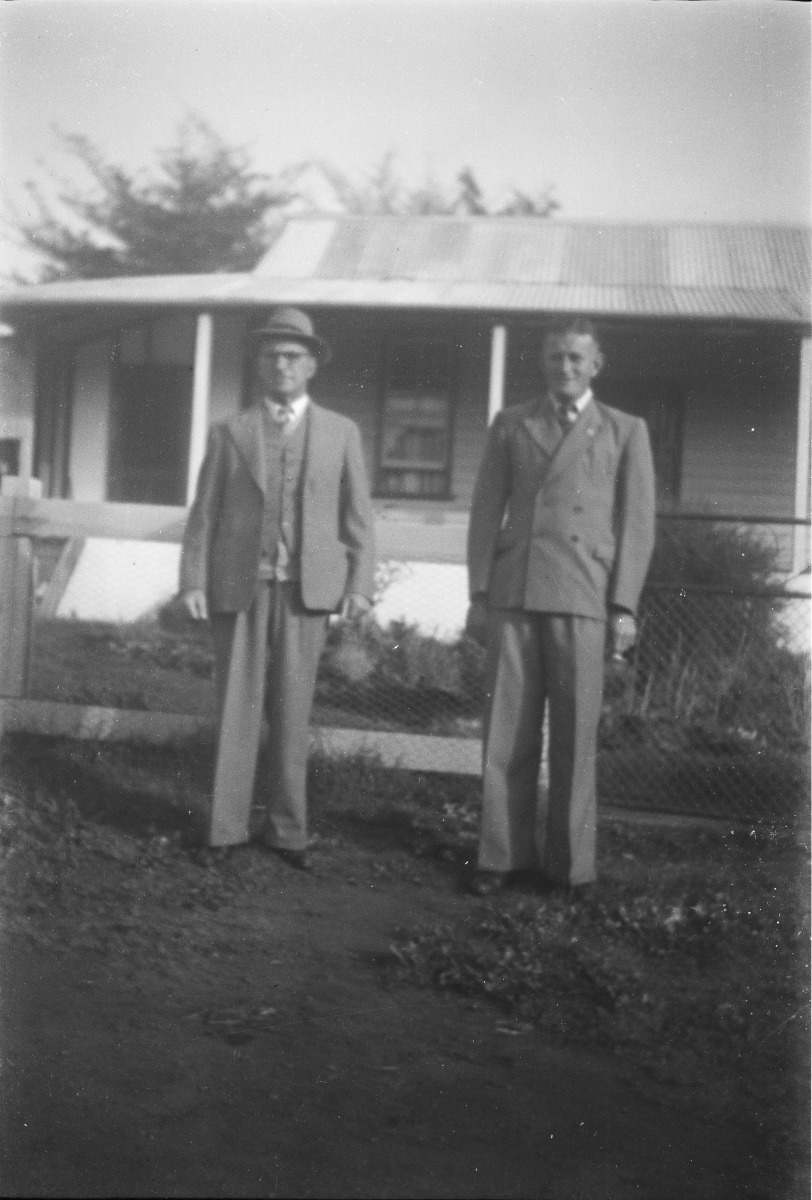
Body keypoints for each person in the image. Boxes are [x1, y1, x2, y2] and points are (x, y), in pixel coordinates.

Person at [466, 316, 656, 895]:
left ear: (596, 364)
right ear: (543, 363)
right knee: (507, 734)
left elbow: (637, 525)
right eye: (555, 358)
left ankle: (570, 867)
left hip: (583, 595)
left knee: (574, 738)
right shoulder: (512, 423)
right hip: (516, 591)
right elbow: (484, 512)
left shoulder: (625, 430)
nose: (565, 368)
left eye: (576, 358)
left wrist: (624, 605)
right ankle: (502, 857)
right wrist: (479, 593)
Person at [180, 307, 375, 867]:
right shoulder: (230, 431)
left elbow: (358, 516)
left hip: (304, 593)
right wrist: (193, 579)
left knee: (293, 713)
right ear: (258, 363)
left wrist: (358, 584)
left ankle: (288, 831)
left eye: (294, 355)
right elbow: (205, 513)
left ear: (312, 365)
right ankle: (226, 828)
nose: (283, 365)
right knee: (236, 709)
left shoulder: (341, 432)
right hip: (238, 587)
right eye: (272, 354)